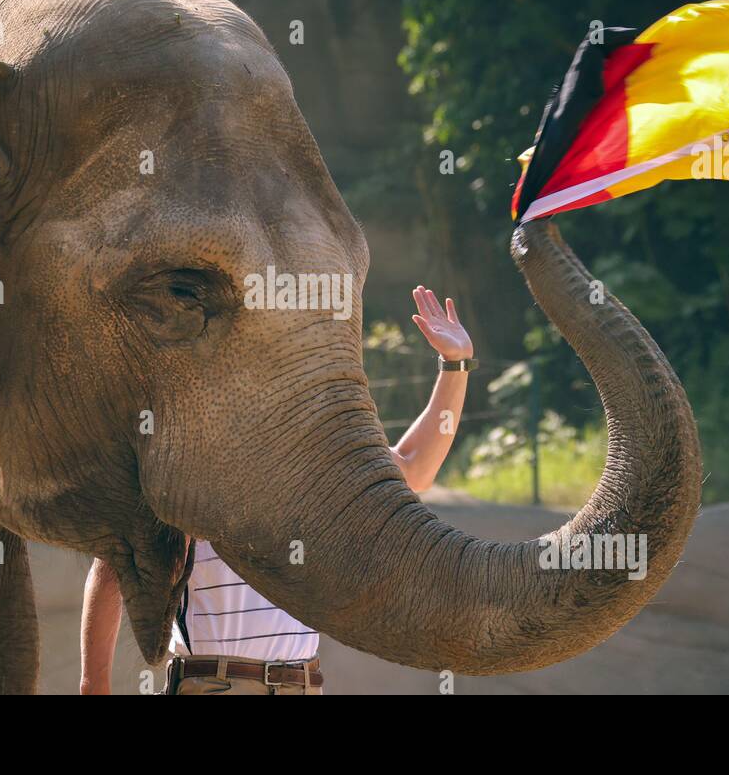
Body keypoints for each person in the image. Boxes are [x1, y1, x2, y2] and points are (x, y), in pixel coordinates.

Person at [80, 286, 477, 695]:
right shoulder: (187, 452)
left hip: (302, 685)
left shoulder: (320, 450)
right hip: (214, 683)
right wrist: (95, 684)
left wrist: (456, 364)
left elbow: (413, 467)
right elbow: (113, 565)